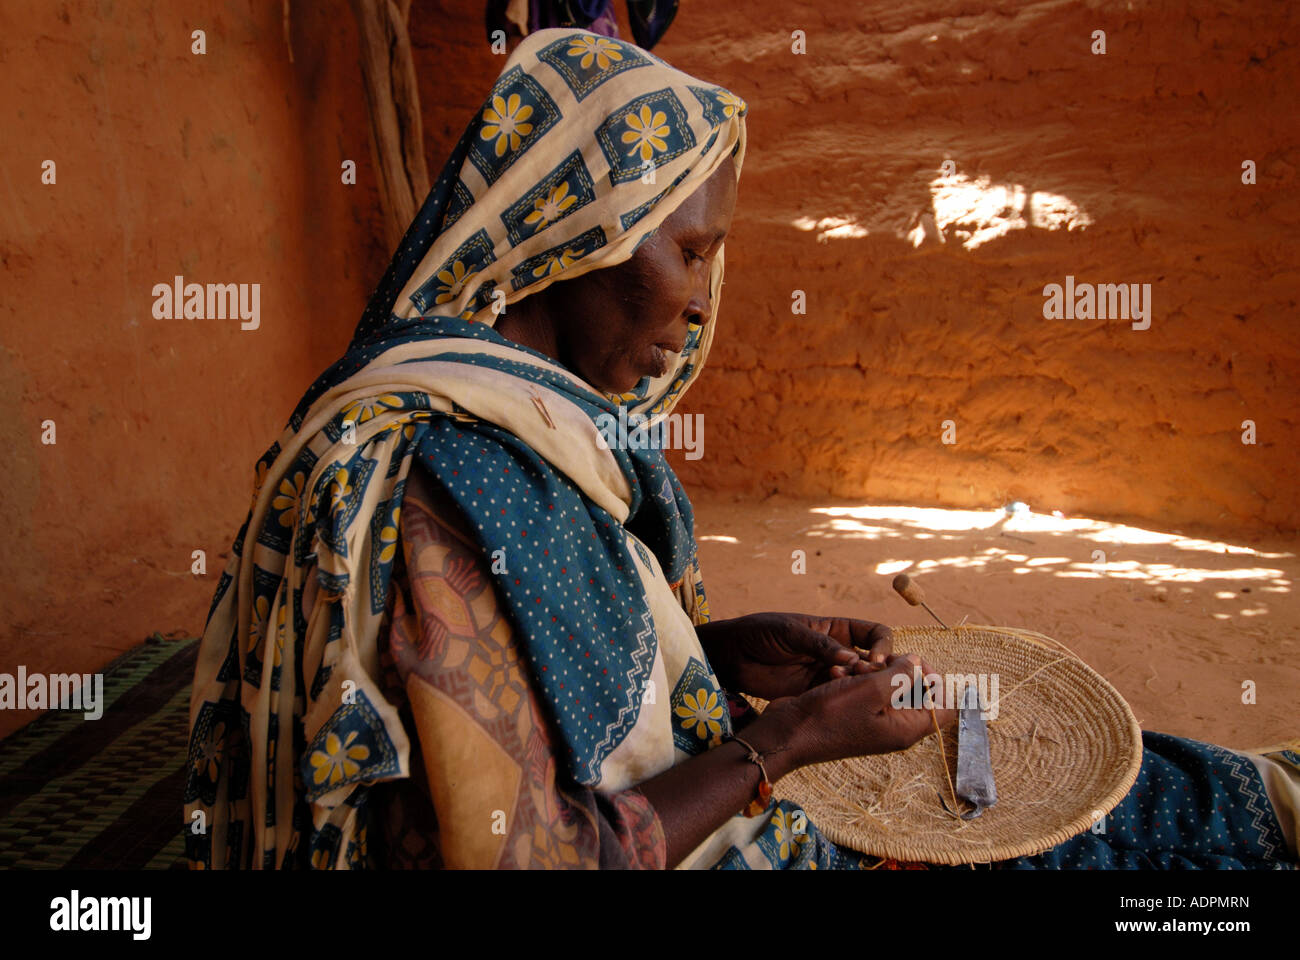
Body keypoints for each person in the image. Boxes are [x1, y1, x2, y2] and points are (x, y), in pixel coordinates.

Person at [184, 28, 1299, 870]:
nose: (700, 307)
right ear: (581, 235)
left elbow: (538, 681)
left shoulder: (509, 429)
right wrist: (790, 742)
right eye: (687, 252)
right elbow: (527, 856)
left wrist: (718, 656)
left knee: (1150, 786)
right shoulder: (450, 477)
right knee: (1134, 839)